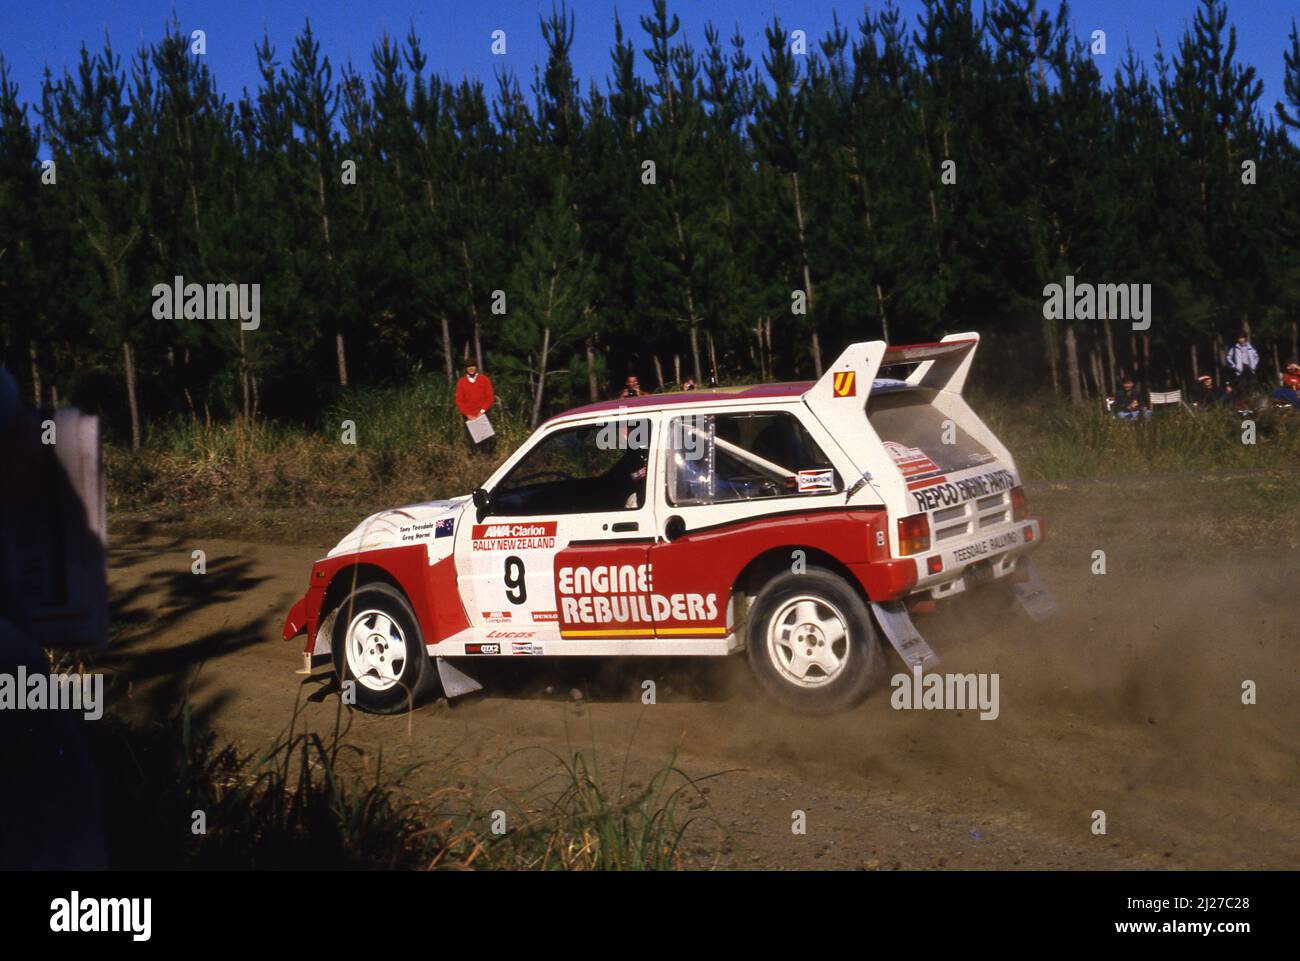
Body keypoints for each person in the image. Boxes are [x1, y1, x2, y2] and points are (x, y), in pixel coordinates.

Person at [455, 361, 496, 455]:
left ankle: (488, 460)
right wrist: (468, 414)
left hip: (483, 414)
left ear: (476, 367)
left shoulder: (484, 379)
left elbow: (490, 397)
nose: (471, 368)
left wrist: (482, 412)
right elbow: (459, 401)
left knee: (488, 439)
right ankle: (475, 460)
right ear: (466, 368)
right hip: (469, 416)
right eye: (468, 366)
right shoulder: (461, 382)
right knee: (472, 439)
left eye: (472, 366)